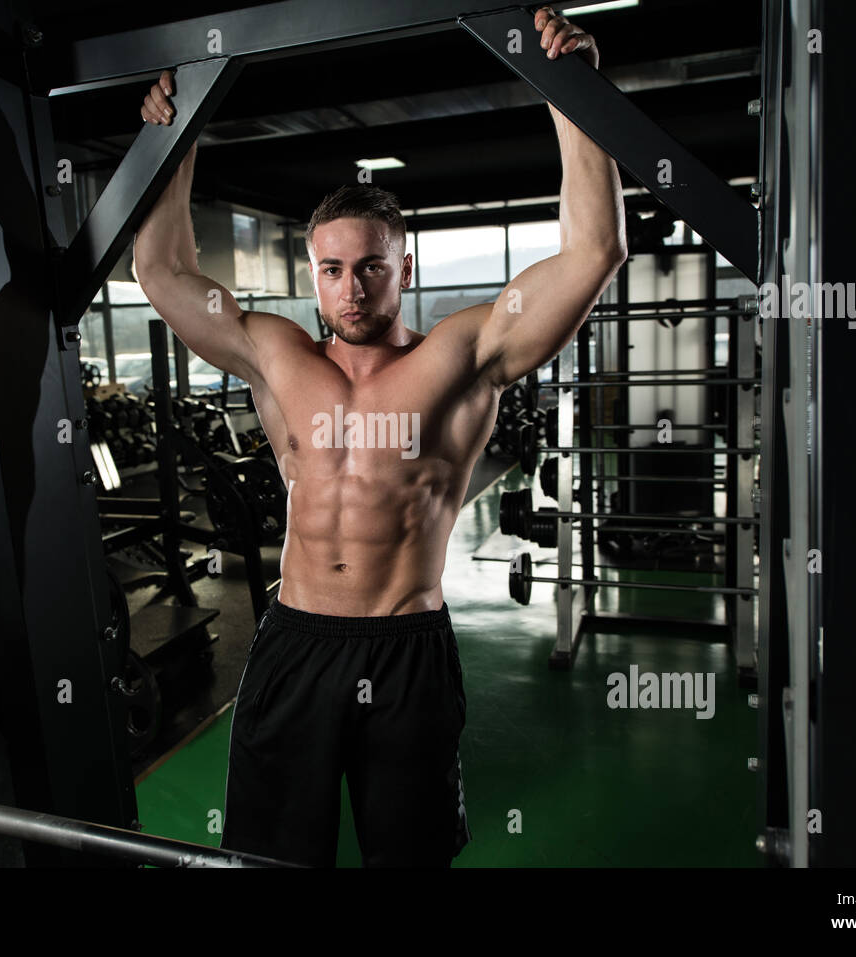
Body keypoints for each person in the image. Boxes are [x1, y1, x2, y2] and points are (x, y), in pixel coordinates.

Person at [133, 6, 626, 867]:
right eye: (331, 269)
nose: (350, 289)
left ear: (406, 266)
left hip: (406, 653)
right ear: (313, 273)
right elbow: (160, 272)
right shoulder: (275, 354)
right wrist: (174, 144)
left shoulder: (463, 355)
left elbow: (593, 253)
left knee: (411, 855)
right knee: (272, 858)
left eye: (370, 266)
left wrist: (573, 93)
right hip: (294, 642)